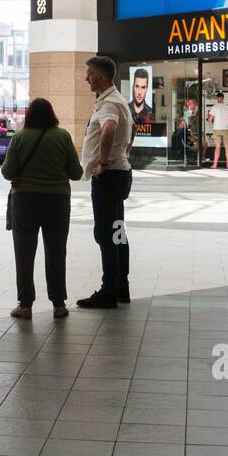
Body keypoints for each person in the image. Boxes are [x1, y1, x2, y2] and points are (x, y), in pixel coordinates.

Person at [2, 97, 82, 320]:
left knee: (24, 253)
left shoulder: (19, 137)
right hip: (57, 202)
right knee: (56, 252)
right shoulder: (62, 136)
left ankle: (25, 305)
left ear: (29, 116)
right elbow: (76, 173)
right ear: (51, 114)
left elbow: (7, 172)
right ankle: (58, 304)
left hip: (25, 201)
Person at [77, 55, 134, 309]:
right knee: (118, 230)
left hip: (109, 177)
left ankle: (108, 289)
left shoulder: (109, 102)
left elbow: (110, 129)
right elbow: (126, 134)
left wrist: (102, 161)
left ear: (100, 76)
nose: (86, 77)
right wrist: (121, 154)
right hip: (119, 172)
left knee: (105, 233)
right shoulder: (118, 99)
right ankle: (121, 286)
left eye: (89, 73)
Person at [208, 93, 228, 169]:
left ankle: (215, 165)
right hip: (225, 129)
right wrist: (225, 121)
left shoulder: (214, 107)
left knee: (217, 147)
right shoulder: (227, 107)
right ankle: (227, 164)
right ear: (223, 98)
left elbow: (210, 119)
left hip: (217, 129)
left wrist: (209, 117)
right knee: (227, 147)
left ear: (217, 98)